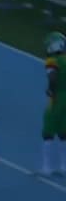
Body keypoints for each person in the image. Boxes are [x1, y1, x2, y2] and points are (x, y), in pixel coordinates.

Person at [42, 32, 66, 177]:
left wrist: (50, 89)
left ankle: (47, 167)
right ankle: (64, 166)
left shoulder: (53, 61)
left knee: (48, 131)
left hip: (57, 98)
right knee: (64, 131)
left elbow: (52, 77)